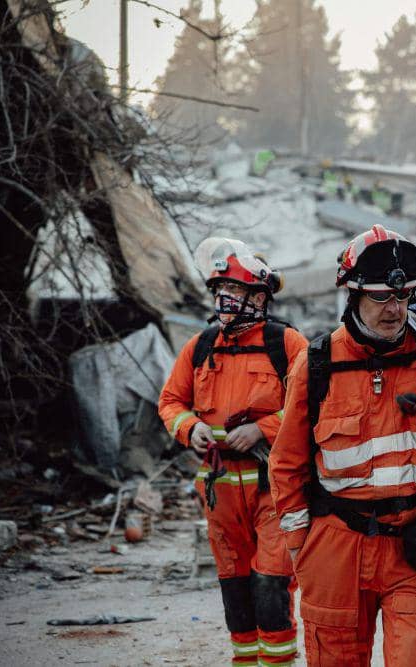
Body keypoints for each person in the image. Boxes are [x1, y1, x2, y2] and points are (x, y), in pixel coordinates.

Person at [267, 224, 416, 667]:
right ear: (353, 295)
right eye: (380, 297)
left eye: (402, 297)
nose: (394, 309)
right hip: (335, 547)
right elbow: (287, 464)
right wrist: (301, 548)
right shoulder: (317, 363)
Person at [159, 238, 307, 666]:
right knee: (236, 588)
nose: (226, 299)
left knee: (271, 583)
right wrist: (190, 428)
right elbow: (170, 402)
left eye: (237, 291)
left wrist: (263, 429)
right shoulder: (201, 346)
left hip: (273, 488)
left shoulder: (288, 345)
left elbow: (315, 407)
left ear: (260, 298)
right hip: (219, 489)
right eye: (221, 290)